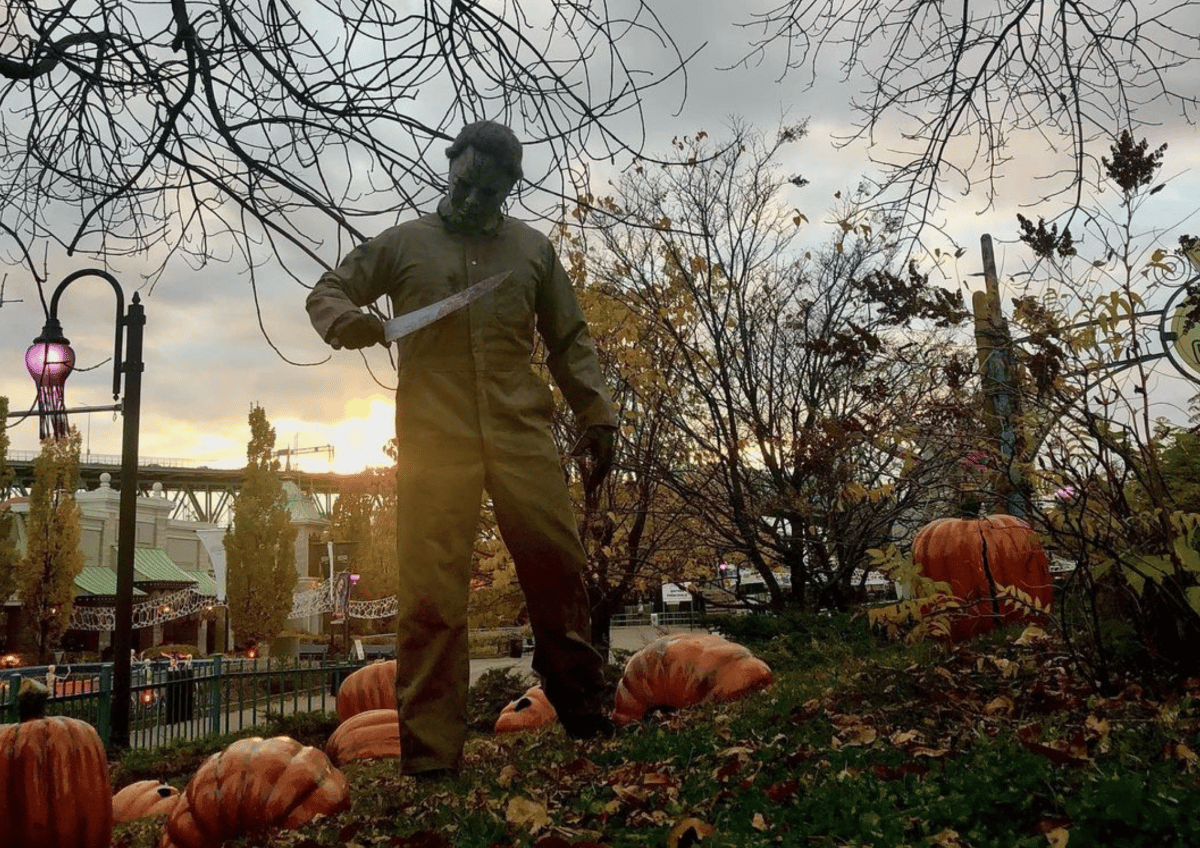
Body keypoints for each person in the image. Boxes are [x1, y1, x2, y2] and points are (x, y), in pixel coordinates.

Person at [307, 120, 617, 777]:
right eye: (467, 183)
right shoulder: (402, 245)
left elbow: (570, 337)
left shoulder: (532, 251)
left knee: (558, 566)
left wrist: (598, 415)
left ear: (510, 190)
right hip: (433, 440)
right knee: (431, 594)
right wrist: (347, 323)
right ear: (450, 166)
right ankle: (431, 760)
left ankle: (587, 714)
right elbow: (326, 291)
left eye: (492, 192)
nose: (476, 199)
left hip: (520, 432)